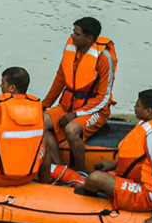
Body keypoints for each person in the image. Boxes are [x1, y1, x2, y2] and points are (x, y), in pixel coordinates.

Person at [80, 89, 152, 223]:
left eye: (138, 105)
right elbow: (142, 161)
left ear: (148, 111)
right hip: (145, 183)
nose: (134, 108)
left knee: (94, 178)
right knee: (99, 175)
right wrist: (115, 165)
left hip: (149, 195)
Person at [41, 17, 116, 171]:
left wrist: (76, 115)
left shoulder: (104, 58)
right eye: (73, 32)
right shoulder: (71, 49)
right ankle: (62, 169)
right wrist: (44, 105)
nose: (73, 36)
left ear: (89, 39)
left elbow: (104, 97)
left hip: (94, 110)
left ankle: (80, 173)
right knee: (39, 124)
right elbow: (59, 79)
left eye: (77, 34)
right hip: (67, 106)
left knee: (71, 130)